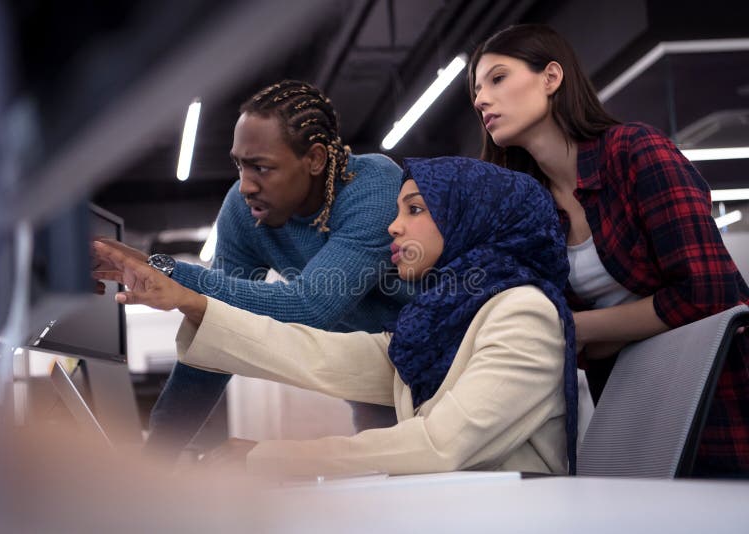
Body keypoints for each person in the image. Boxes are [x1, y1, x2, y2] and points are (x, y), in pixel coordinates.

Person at [93, 156, 579, 476]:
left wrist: (266, 457)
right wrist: (187, 300)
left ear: (468, 218)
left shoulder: (523, 313)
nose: (394, 224)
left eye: (415, 210)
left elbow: (439, 446)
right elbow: (318, 355)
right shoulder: (440, 320)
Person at [468, 23, 749, 476]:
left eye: (497, 78)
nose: (481, 99)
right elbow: (552, 338)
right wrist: (587, 334)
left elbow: (709, 294)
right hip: (635, 406)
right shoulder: (530, 207)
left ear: (551, 78)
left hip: (720, 397)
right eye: (476, 90)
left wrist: (574, 328)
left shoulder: (635, 152)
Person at [93, 80, 412, 459]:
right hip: (370, 382)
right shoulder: (245, 212)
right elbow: (218, 334)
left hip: (440, 367)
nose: (245, 186)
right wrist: (157, 458)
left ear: (315, 159)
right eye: (239, 164)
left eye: (261, 167)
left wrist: (165, 270)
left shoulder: (372, 187)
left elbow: (309, 306)